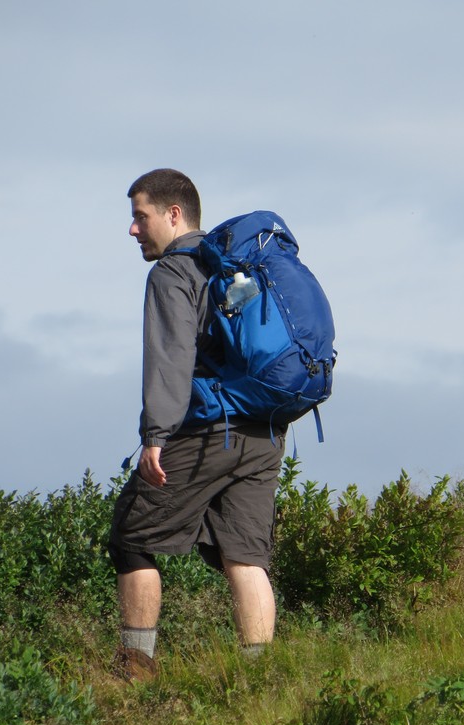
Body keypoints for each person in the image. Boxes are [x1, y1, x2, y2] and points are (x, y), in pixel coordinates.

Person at [108, 168, 286, 682]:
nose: (133, 229)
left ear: (174, 214)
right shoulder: (237, 267)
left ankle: (134, 673)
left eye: (140, 216)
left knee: (131, 536)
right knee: (244, 555)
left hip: (212, 427)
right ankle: (260, 683)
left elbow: (170, 359)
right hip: (266, 429)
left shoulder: (172, 273)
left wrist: (155, 438)